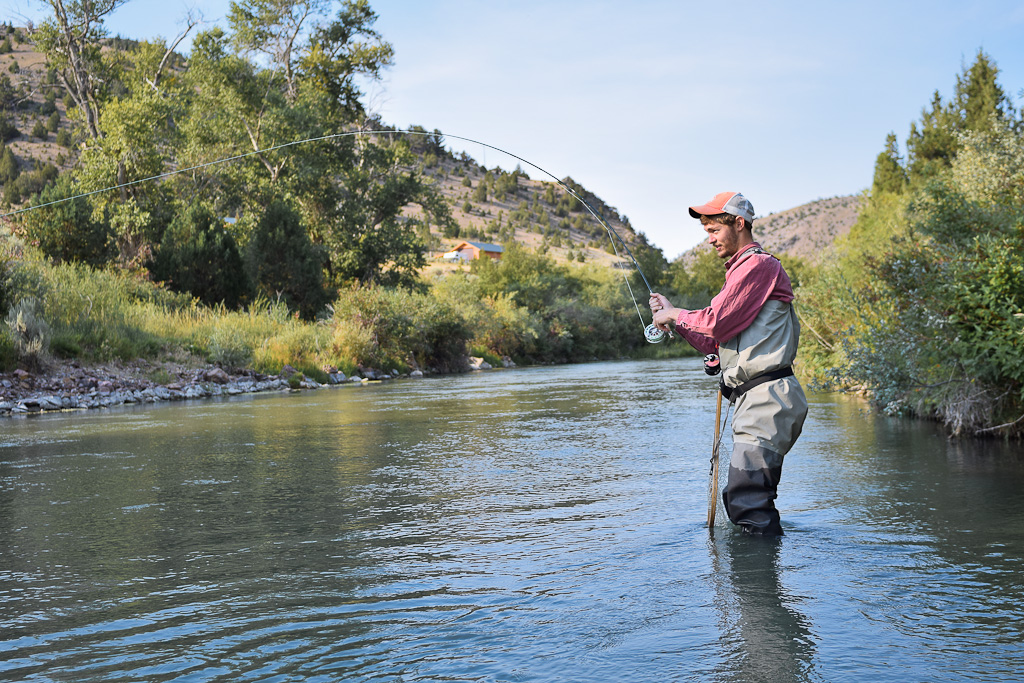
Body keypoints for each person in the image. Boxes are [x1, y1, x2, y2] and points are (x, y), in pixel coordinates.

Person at [649, 191, 807, 536]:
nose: (709, 240)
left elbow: (716, 321)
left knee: (746, 498)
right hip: (757, 399)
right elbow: (714, 341)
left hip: (768, 397)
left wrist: (676, 313)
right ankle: (753, 585)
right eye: (706, 232)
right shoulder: (740, 274)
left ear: (739, 224)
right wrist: (674, 317)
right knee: (743, 499)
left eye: (714, 230)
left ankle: (759, 590)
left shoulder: (758, 266)